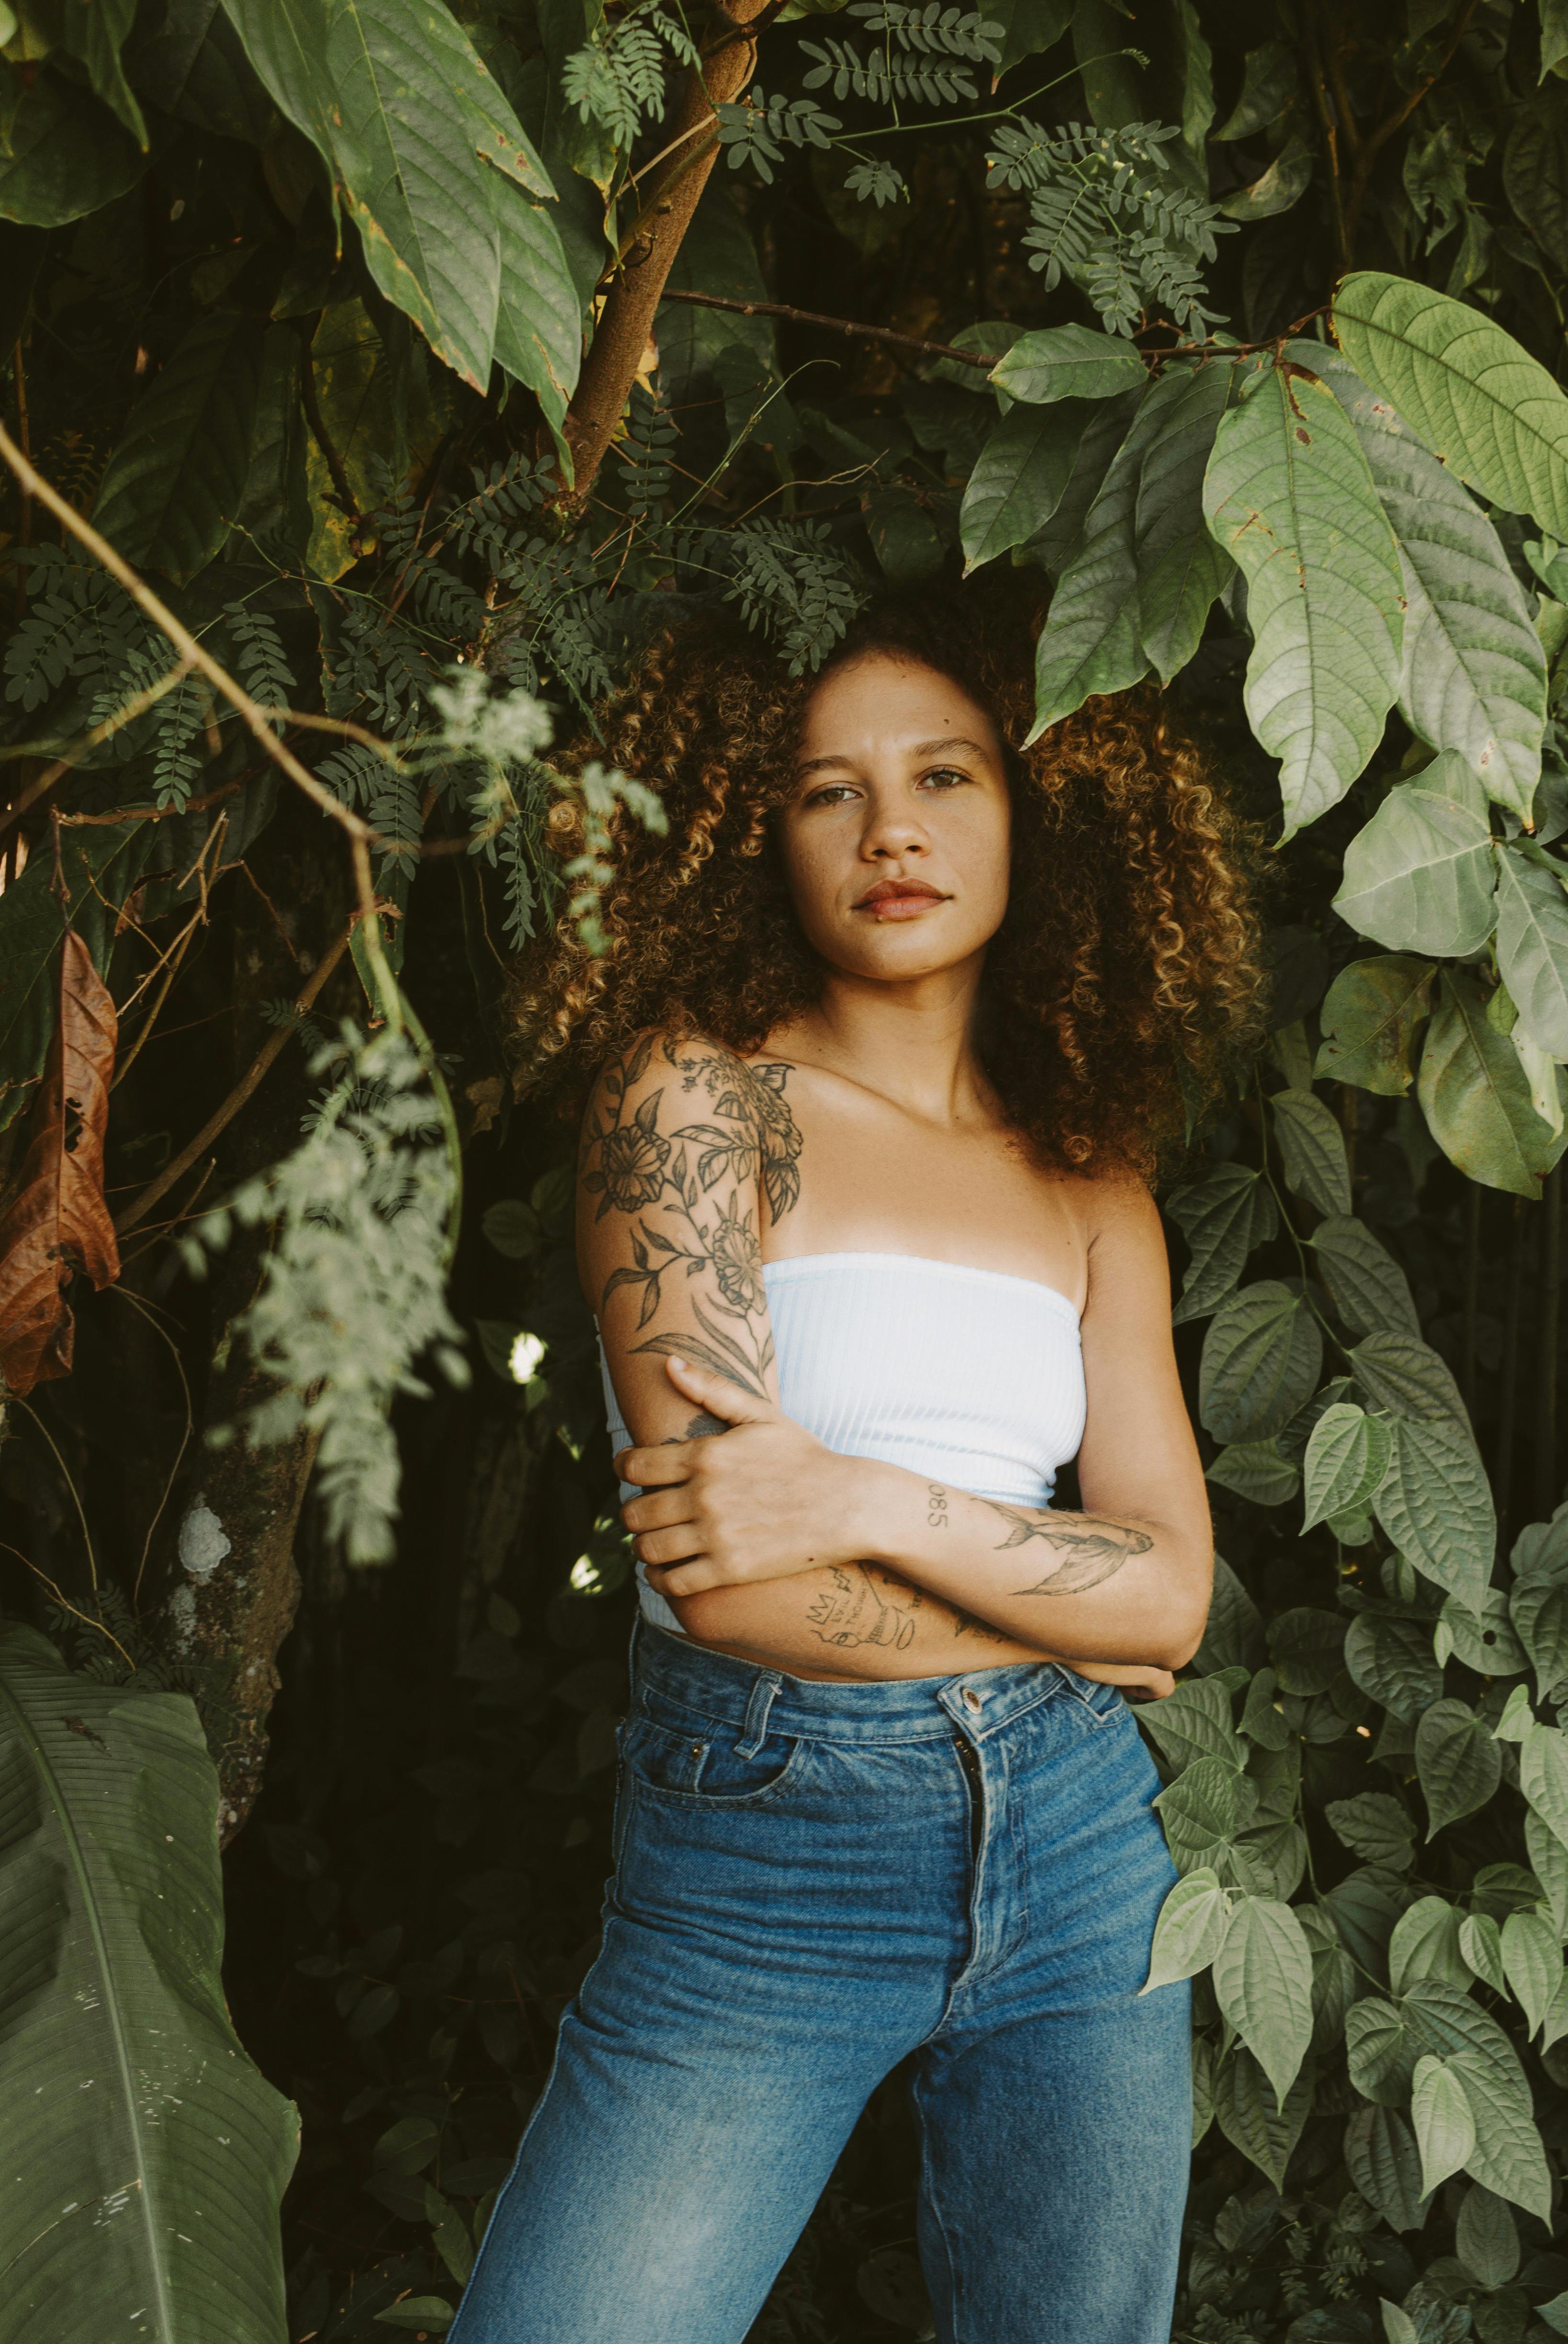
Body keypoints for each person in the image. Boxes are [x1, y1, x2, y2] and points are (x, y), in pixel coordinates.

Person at [449, 581, 1263, 2344]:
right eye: (828, 789)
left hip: (1083, 1862)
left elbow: (1179, 1590)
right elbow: (737, 1584)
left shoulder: (1092, 1182)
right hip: (769, 1856)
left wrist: (869, 1499)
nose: (892, 828)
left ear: (1035, 813)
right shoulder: (693, 1102)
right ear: (759, 831)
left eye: (947, 774)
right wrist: (1072, 1614)